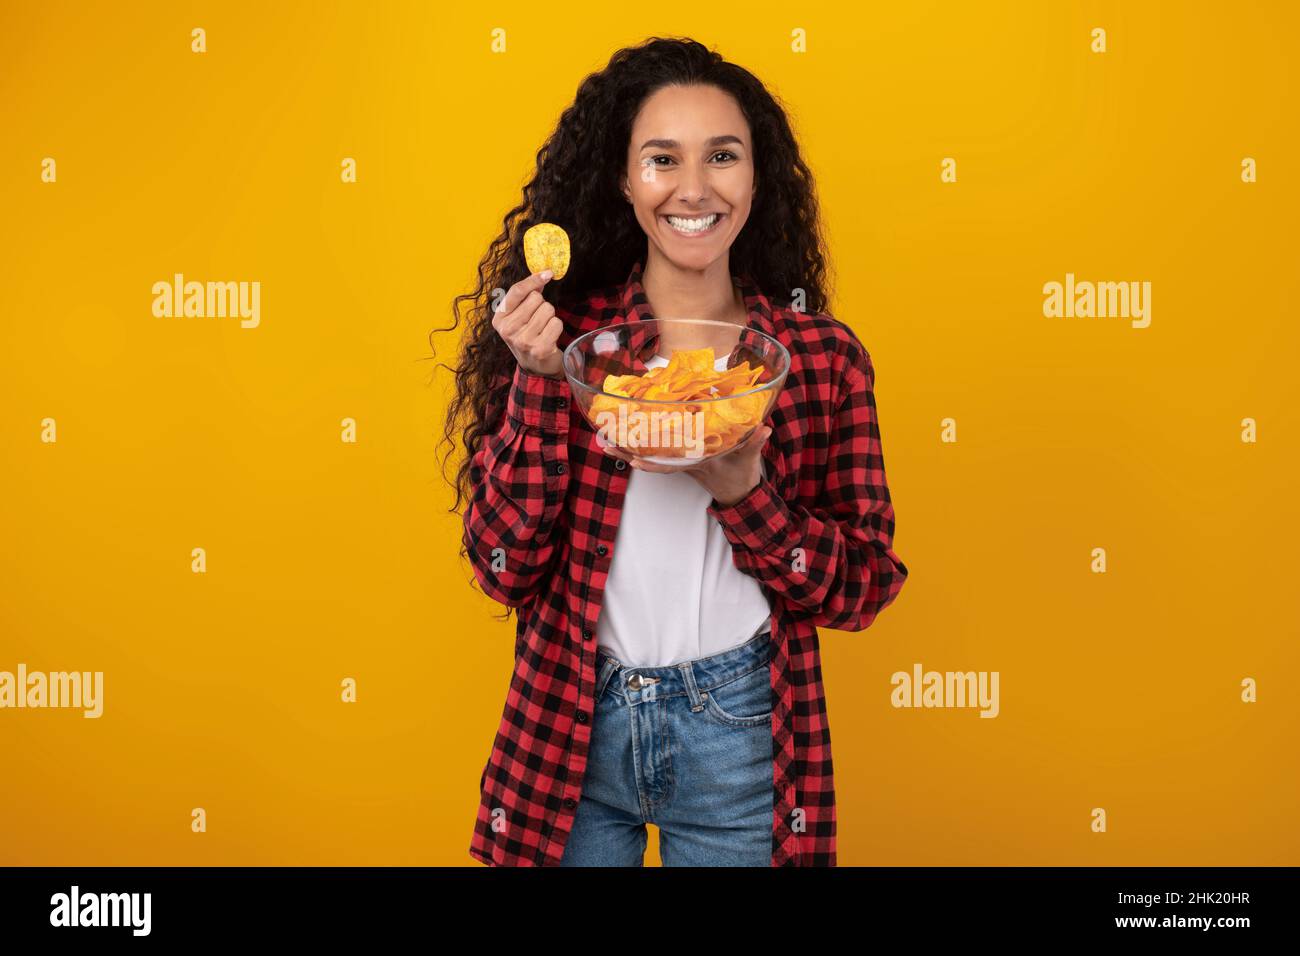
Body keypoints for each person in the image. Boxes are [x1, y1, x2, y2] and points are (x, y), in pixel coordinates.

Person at [436, 36, 908, 866]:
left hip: (741, 731)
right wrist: (543, 379)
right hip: (573, 722)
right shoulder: (573, 347)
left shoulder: (820, 359)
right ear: (625, 180)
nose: (693, 188)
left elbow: (863, 588)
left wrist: (744, 493)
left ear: (756, 178)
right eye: (663, 159)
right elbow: (501, 565)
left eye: (722, 156)